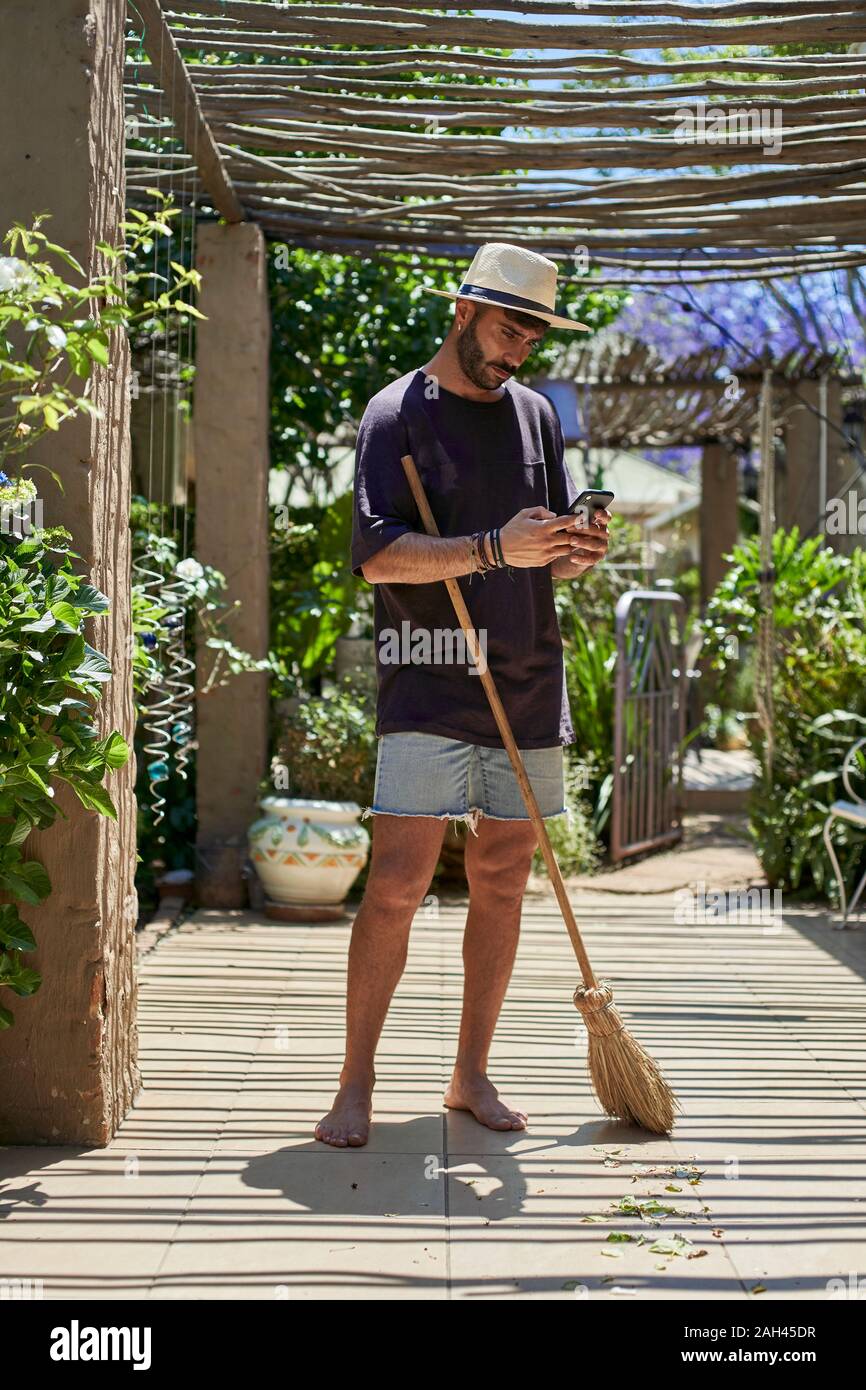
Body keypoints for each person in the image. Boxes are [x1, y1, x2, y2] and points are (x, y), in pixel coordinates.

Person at [315, 243, 610, 1147]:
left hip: (525, 675)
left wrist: (574, 546)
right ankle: (354, 1083)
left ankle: (469, 1074)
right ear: (463, 309)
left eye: (533, 335)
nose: (518, 349)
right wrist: (490, 548)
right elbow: (377, 556)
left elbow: (541, 543)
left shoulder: (535, 417)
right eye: (507, 327)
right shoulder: (395, 415)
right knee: (398, 883)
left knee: (503, 882)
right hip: (428, 675)